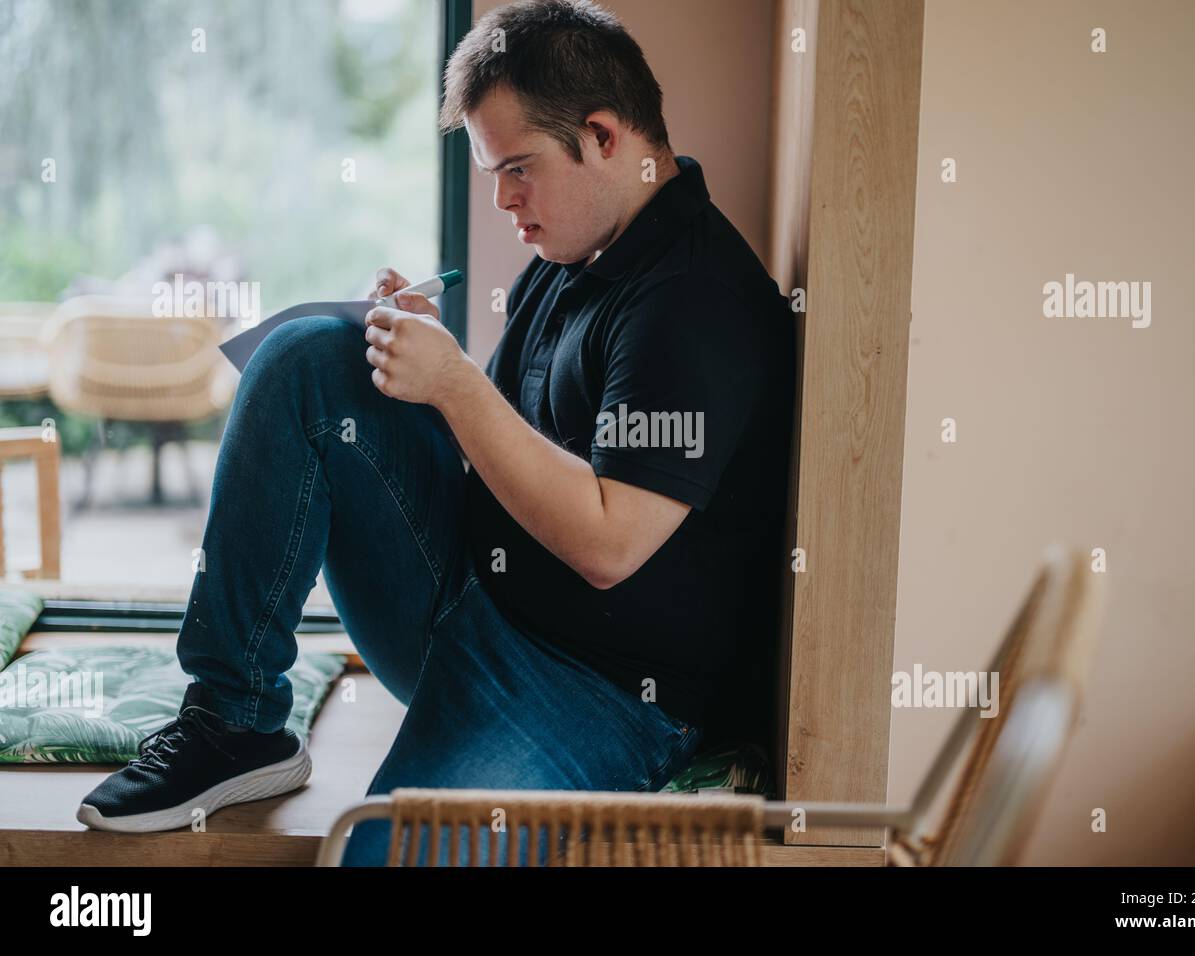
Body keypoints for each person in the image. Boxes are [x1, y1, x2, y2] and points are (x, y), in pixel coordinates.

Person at [76, 0, 794, 866]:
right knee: (312, 355)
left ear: (604, 136)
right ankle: (233, 721)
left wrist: (452, 384)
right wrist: (416, 369)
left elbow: (612, 542)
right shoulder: (578, 248)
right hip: (472, 593)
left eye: (519, 169)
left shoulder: (694, 300)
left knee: (380, 857)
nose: (502, 202)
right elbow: (501, 447)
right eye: (491, 172)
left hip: (596, 688)